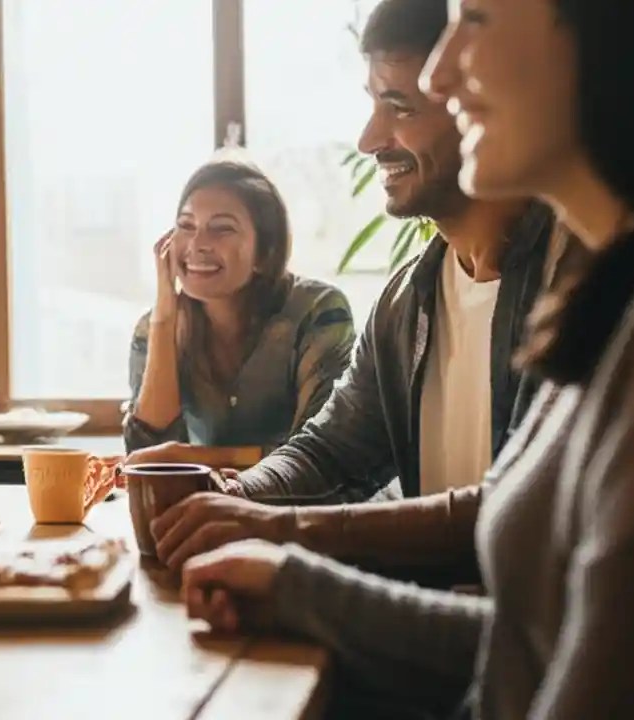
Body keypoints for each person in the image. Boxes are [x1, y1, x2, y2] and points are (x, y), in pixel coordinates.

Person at [182, 0, 634, 717]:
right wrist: (291, 585)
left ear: (613, 27)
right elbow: (534, 649)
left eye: (476, 18)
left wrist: (291, 546)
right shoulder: (627, 270)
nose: (446, 71)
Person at [146, 0, 572, 574]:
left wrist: (273, 529)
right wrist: (236, 499)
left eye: (398, 106)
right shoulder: (404, 304)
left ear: (477, 100)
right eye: (373, 103)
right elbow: (330, 453)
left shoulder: (572, 286)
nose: (370, 138)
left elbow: (512, 510)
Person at [123, 161, 355, 463]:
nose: (197, 244)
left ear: (265, 251)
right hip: (201, 507)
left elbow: (320, 455)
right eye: (186, 225)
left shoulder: (318, 312)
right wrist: (164, 318)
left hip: (296, 507)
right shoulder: (153, 328)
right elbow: (147, 455)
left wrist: (195, 458)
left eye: (222, 229)